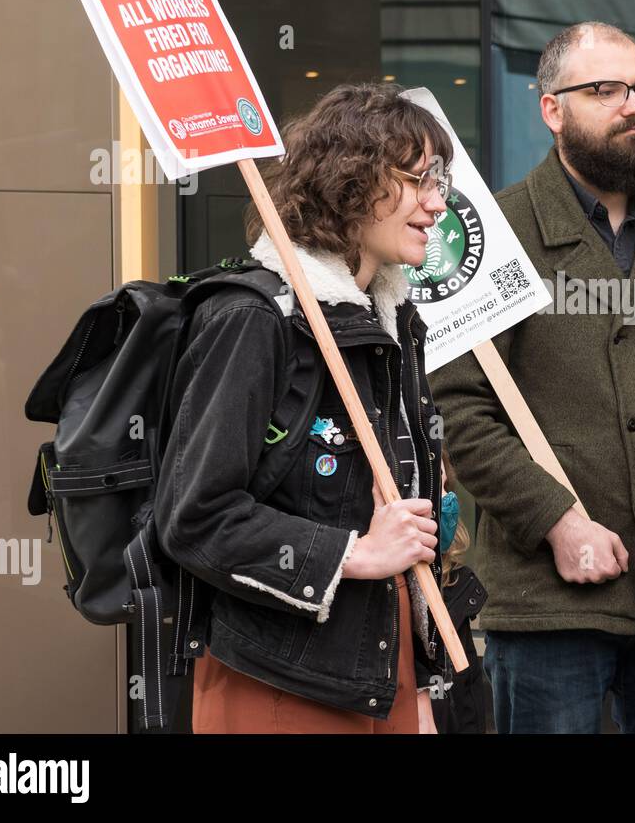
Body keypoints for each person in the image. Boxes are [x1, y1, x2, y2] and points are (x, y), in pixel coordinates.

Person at [429, 21, 635, 733]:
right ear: (552, 109)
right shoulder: (497, 235)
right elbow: (458, 409)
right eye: (605, 89)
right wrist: (557, 522)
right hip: (550, 598)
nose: (633, 105)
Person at [154, 82, 450, 733]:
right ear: (352, 184)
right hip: (277, 686)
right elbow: (194, 517)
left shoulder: (397, 321)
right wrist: (352, 554)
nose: (436, 205)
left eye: (440, 181)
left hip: (379, 668)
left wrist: (420, 685)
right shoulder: (254, 319)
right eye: (418, 180)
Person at [428, 449, 489, 733]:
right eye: (432, 485)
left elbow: (468, 708)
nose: (445, 499)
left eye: (445, 485)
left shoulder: (458, 587)